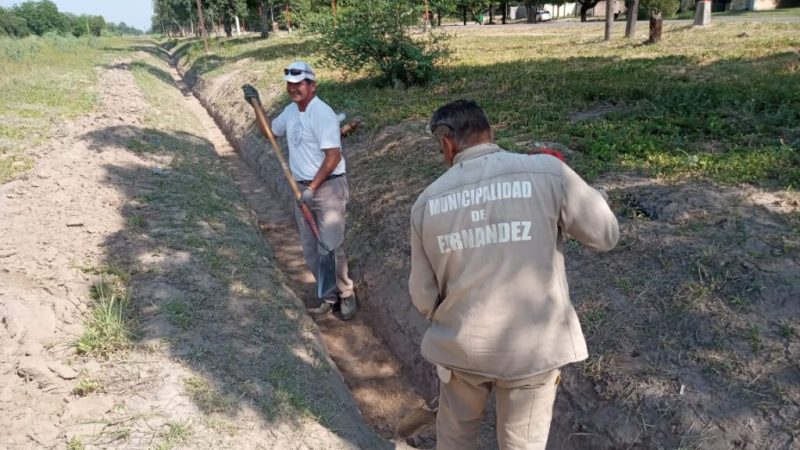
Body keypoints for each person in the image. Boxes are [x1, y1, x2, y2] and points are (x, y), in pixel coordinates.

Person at [409, 99, 619, 449]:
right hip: (533, 349)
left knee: (455, 439)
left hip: (462, 350)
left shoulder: (426, 203)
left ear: (446, 143)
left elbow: (422, 296)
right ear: (490, 133)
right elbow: (605, 236)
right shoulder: (548, 173)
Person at [242, 61, 356, 320]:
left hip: (327, 188)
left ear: (312, 85)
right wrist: (256, 106)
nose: (293, 89)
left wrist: (313, 188)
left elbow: (333, 157)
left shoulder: (322, 113)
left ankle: (346, 293)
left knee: (330, 246)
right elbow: (270, 131)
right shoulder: (291, 112)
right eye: (290, 85)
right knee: (310, 248)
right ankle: (328, 296)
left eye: (299, 84)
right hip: (301, 189)